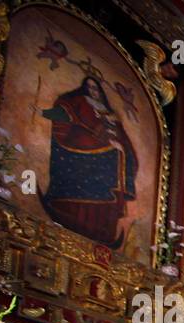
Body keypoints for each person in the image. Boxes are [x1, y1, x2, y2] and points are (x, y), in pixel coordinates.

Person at [40, 74, 137, 248]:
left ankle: (103, 230)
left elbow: (123, 139)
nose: (94, 91)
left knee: (112, 175)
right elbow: (67, 121)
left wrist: (120, 145)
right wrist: (104, 139)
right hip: (84, 155)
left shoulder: (111, 113)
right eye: (90, 88)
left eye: (96, 88)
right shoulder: (79, 102)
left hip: (109, 159)